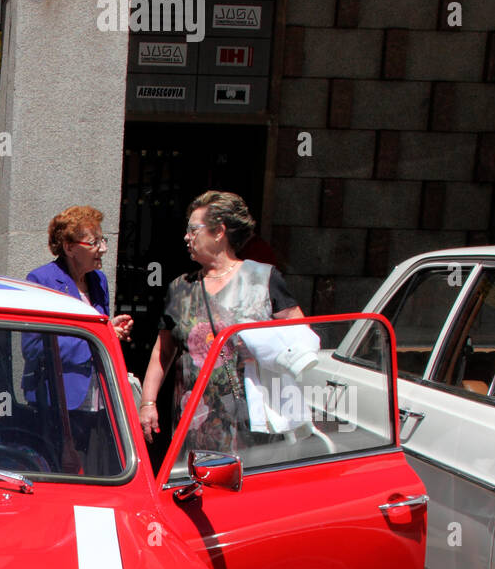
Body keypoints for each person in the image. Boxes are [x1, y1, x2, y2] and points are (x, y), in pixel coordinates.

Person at [140, 190, 304, 452]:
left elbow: (299, 336)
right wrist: (148, 402)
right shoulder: (181, 288)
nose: (187, 237)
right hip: (195, 419)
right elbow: (163, 350)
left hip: (253, 417)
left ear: (219, 232)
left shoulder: (263, 279)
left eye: (194, 230)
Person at [23, 207, 133, 461]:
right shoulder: (43, 280)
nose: (103, 249)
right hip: (58, 402)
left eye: (103, 241)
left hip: (97, 398)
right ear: (70, 247)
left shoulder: (99, 281)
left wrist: (110, 329)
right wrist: (96, 339)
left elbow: (93, 328)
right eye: (94, 242)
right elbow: (33, 347)